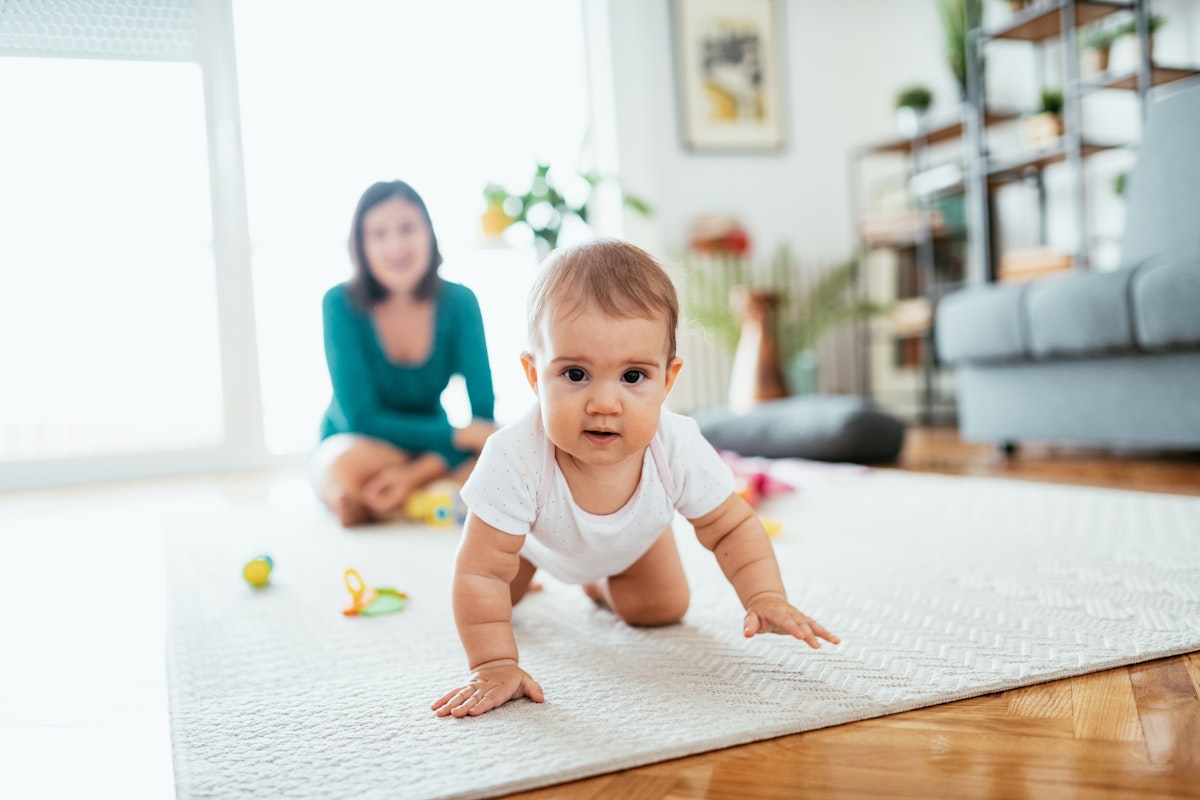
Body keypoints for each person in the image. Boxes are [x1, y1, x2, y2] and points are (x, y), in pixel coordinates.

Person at [432, 239, 839, 718]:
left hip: (635, 544)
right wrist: (493, 663)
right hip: (528, 545)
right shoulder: (514, 455)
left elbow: (731, 526)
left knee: (662, 608)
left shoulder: (677, 446)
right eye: (576, 373)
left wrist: (765, 595)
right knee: (496, 598)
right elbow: (479, 570)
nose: (605, 402)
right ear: (533, 374)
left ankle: (599, 586)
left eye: (632, 377)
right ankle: (545, 580)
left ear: (667, 381)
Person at [311, 180, 497, 527]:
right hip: (361, 444)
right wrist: (456, 437)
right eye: (379, 234)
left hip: (429, 449)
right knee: (339, 469)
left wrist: (415, 472)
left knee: (493, 454)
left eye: (407, 228)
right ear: (361, 247)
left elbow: (483, 419)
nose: (395, 245)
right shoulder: (339, 304)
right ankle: (408, 493)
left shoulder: (460, 302)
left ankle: (405, 489)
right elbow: (360, 419)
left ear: (429, 233)